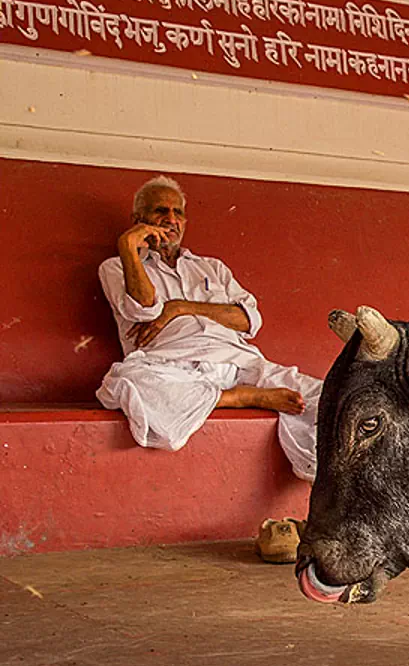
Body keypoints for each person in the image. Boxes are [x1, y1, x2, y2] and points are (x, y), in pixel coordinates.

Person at [96, 175, 321, 484]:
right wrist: (127, 247)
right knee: (128, 381)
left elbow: (248, 320)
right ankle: (243, 398)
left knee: (329, 398)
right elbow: (142, 308)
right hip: (174, 367)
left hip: (240, 363)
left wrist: (180, 307)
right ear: (139, 220)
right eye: (160, 211)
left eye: (178, 212)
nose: (171, 220)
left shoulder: (212, 268)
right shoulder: (116, 266)